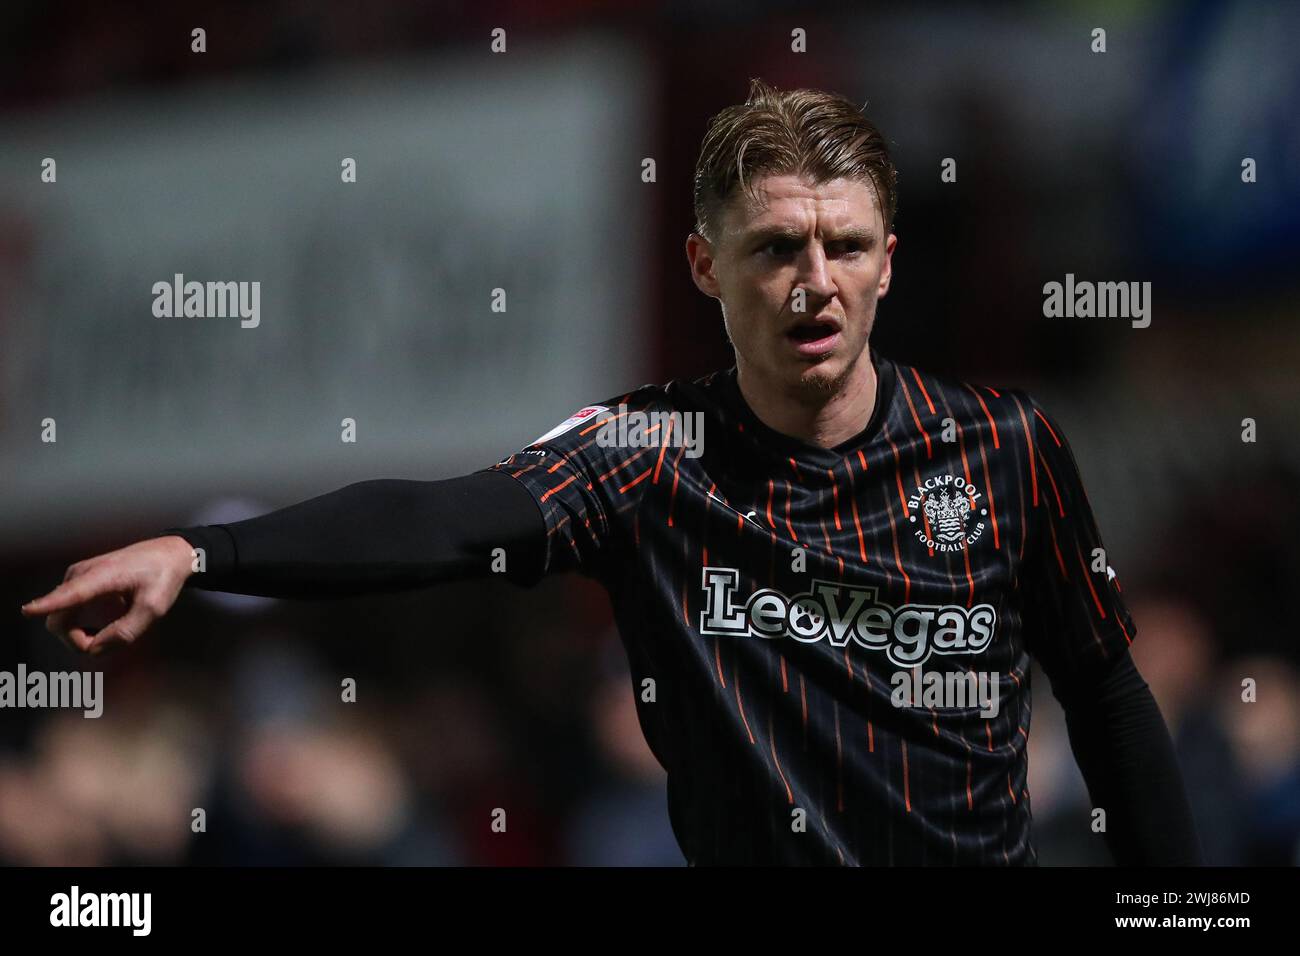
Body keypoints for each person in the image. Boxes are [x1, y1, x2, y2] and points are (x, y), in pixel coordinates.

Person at [20, 79, 1201, 866]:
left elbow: (1102, 688)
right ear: (703, 263)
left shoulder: (1002, 445)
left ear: (887, 261)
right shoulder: (646, 458)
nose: (813, 280)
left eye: (844, 245)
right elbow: (439, 519)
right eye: (775, 247)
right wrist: (204, 551)